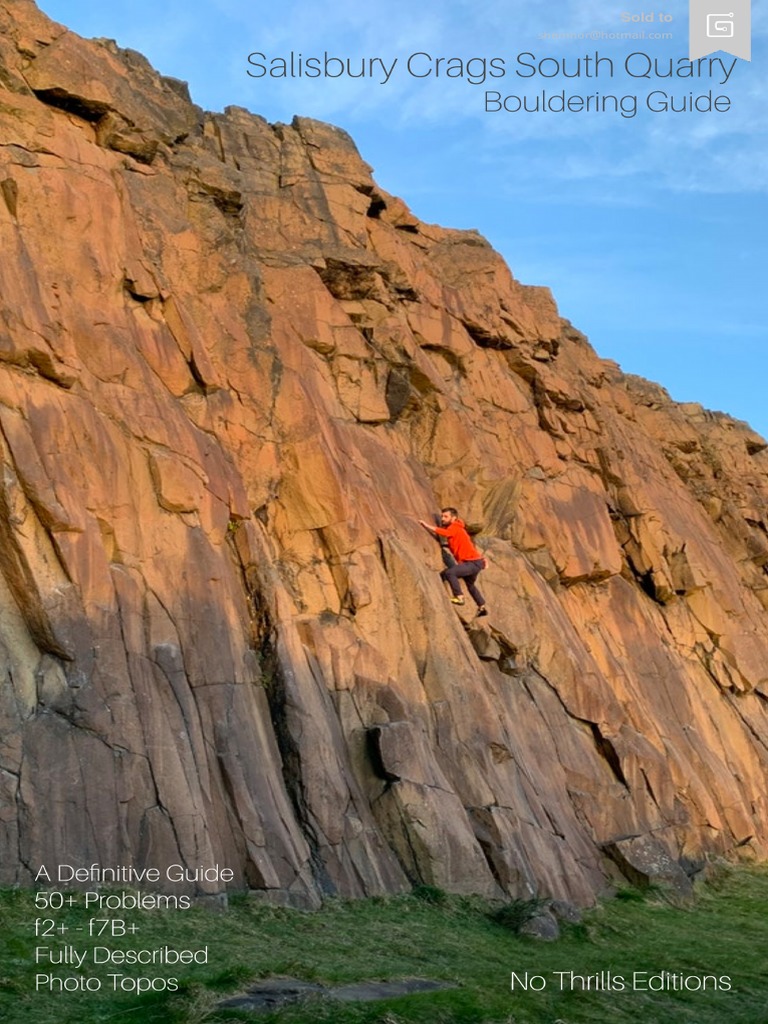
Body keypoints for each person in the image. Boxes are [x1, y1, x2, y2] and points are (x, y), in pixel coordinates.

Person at [419, 508, 488, 616]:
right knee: (470, 585)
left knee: (450, 573)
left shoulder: (454, 527)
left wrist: (427, 526)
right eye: (442, 516)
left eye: (446, 517)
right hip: (475, 562)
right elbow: (459, 543)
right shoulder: (458, 529)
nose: (442, 519)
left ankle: (459, 597)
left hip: (472, 563)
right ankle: (482, 607)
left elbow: (445, 533)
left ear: (453, 518)